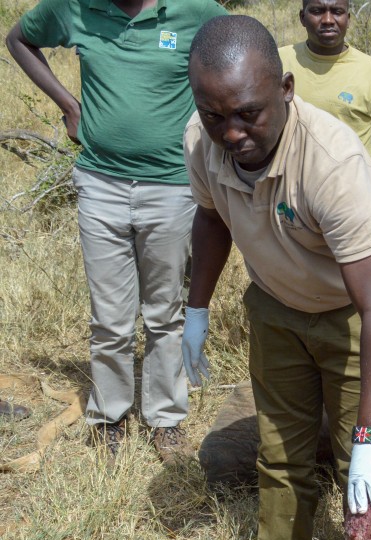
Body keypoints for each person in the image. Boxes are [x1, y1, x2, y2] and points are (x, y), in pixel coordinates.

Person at [181, 15, 371, 540]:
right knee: (280, 448)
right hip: (275, 304)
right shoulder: (202, 140)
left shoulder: (331, 162)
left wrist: (369, 434)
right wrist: (196, 308)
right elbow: (211, 218)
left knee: (360, 456)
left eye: (248, 114)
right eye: (213, 113)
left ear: (285, 90)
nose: (231, 133)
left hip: (351, 312)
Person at [5, 0, 227, 461]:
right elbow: (18, 39)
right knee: (109, 317)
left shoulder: (195, 11)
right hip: (101, 183)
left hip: (171, 186)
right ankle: (109, 416)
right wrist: (68, 104)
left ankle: (166, 419)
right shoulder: (76, 8)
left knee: (164, 311)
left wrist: (215, 125)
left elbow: (238, 52)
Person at [279, 0, 371, 241]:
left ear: (348, 18)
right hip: (288, 200)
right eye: (317, 11)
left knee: (364, 273)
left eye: (337, 12)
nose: (328, 20)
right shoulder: (279, 62)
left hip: (353, 198)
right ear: (302, 17)